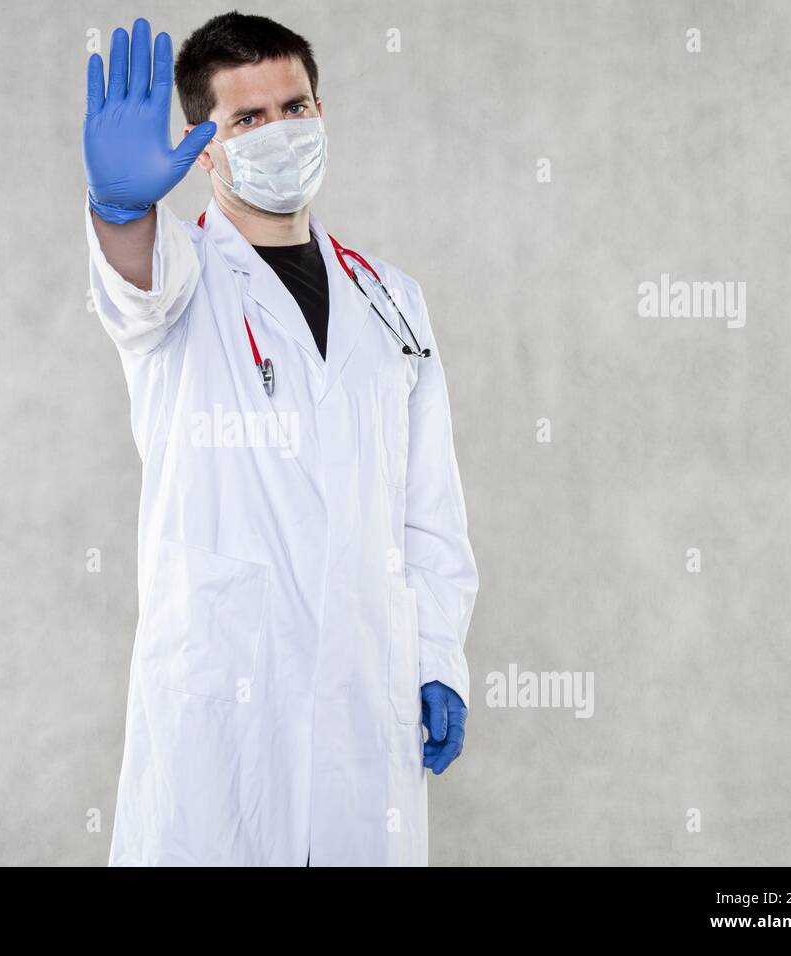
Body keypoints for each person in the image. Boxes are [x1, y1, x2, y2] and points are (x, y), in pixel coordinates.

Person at [82, 12, 480, 866]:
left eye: (294, 107)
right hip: (223, 707)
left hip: (363, 700)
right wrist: (119, 212)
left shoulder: (391, 300)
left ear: (321, 107)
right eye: (248, 120)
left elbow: (429, 508)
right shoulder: (181, 279)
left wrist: (439, 653)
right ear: (203, 146)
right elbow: (133, 288)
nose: (280, 133)